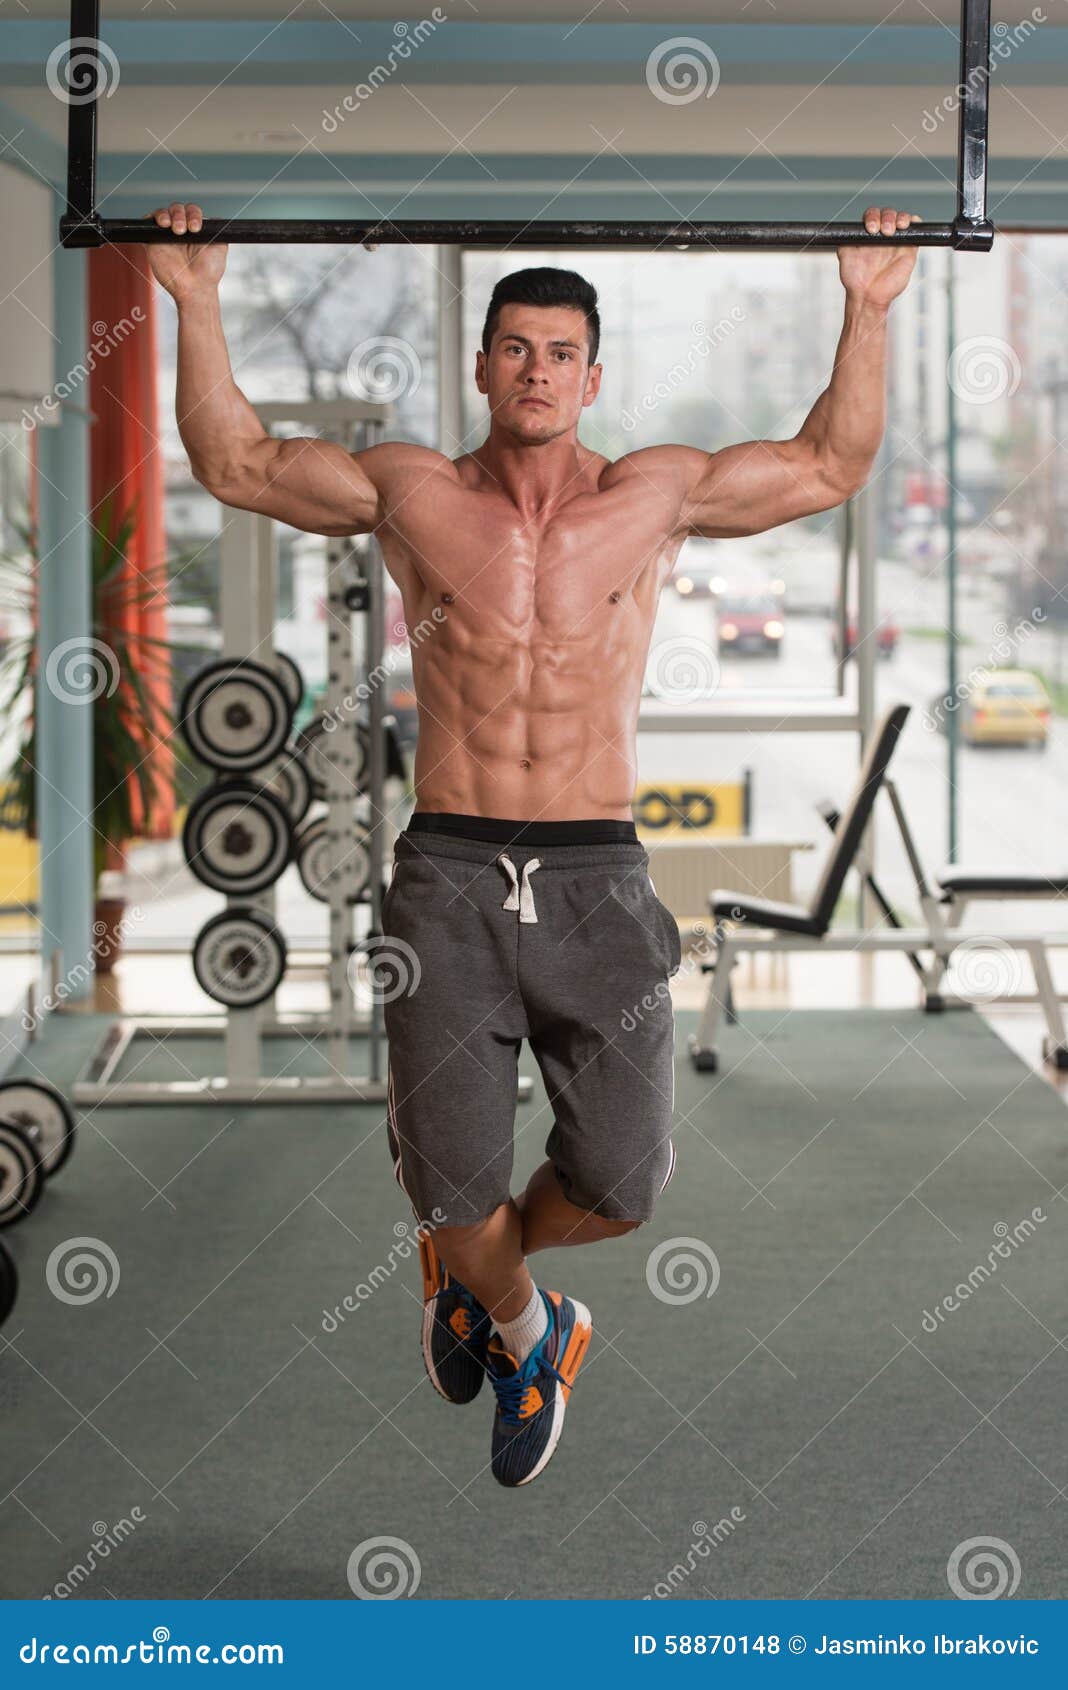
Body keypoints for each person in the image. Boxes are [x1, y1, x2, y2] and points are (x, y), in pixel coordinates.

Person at [147, 202, 920, 1488]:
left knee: (623, 1184)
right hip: (447, 874)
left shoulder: (654, 496)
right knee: (449, 1203)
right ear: (483, 365)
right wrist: (190, 293)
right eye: (515, 347)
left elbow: (828, 464)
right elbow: (239, 466)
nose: (537, 370)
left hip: (598, 878)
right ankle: (522, 1322)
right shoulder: (411, 492)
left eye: (561, 352)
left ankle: (482, 1280)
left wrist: (871, 307)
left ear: (593, 375)